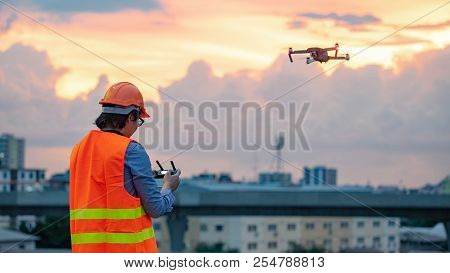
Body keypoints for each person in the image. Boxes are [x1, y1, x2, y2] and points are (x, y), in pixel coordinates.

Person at [69, 82, 181, 253]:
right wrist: (168, 187)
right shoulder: (131, 150)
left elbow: (104, 188)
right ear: (130, 117)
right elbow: (156, 207)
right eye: (139, 121)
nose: (137, 127)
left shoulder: (79, 149)